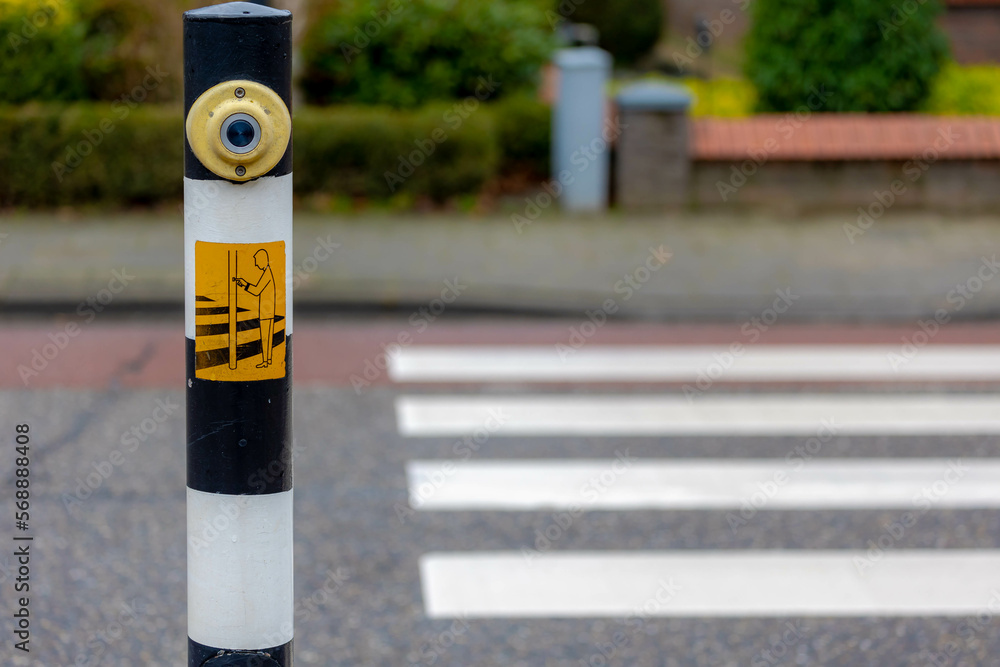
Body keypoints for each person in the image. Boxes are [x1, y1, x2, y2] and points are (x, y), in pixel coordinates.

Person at [235, 249, 276, 368]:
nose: (256, 264)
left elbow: (257, 290)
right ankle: (267, 360)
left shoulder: (267, 273)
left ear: (263, 260)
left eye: (257, 261)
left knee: (265, 336)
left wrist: (244, 284)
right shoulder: (267, 272)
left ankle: (266, 361)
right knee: (267, 336)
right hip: (268, 310)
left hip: (266, 311)